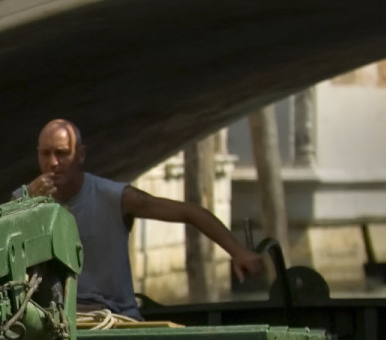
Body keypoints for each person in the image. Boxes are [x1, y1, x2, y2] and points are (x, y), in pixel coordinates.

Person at [26, 118, 262, 318]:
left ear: (81, 155)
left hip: (113, 317)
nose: (53, 163)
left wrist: (238, 251)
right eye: (45, 154)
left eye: (62, 154)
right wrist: (27, 205)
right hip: (55, 322)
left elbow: (189, 212)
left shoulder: (113, 197)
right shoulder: (22, 200)